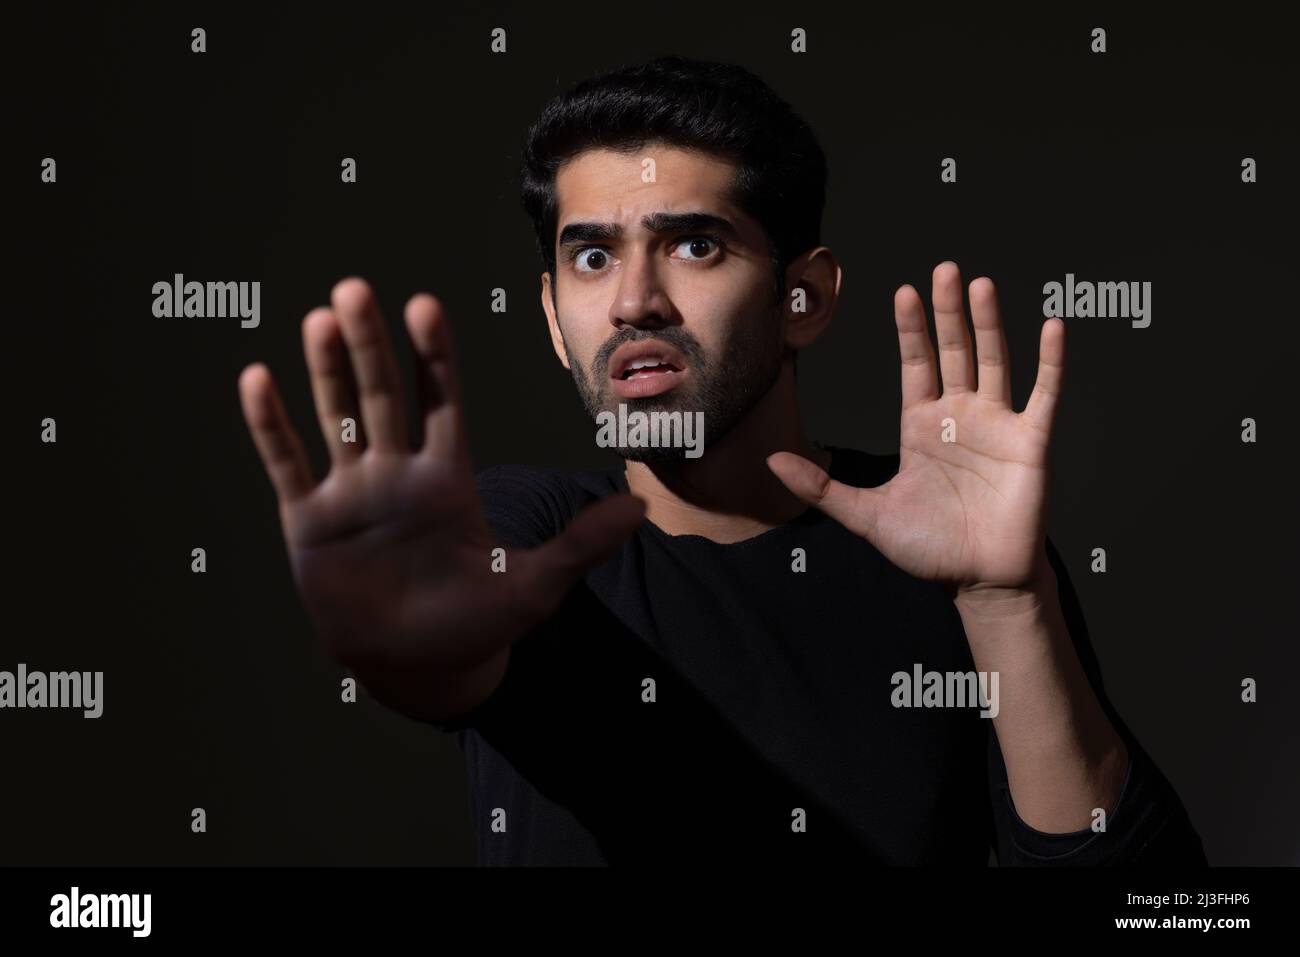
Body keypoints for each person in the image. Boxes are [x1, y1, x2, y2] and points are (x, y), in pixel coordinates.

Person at [237, 56, 1206, 866]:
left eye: (694, 245)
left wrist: (1004, 602)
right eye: (590, 258)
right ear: (548, 318)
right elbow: (456, 646)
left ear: (805, 299)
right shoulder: (533, 530)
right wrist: (405, 639)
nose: (632, 302)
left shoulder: (952, 554)